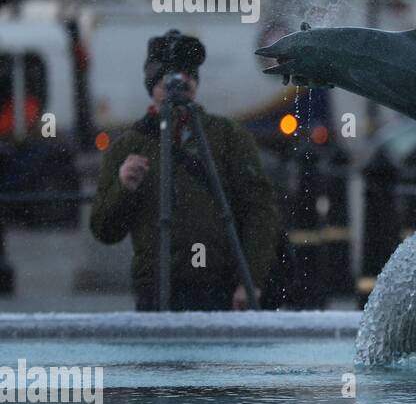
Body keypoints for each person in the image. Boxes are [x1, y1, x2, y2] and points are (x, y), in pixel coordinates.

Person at [90, 30, 280, 310]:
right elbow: (105, 230)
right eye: (169, 76)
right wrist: (124, 187)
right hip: (154, 288)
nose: (180, 83)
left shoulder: (227, 136)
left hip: (220, 287)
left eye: (188, 75)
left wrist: (250, 280)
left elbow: (259, 211)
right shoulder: (127, 147)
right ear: (152, 84)